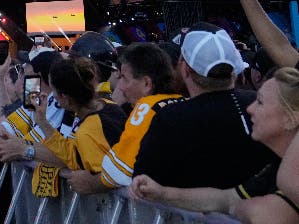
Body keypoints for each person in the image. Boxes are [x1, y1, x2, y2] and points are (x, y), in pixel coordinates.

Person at [132, 67, 299, 222]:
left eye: (260, 102)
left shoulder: (289, 174)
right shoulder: (276, 164)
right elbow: (225, 199)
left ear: (291, 119)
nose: (250, 108)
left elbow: (264, 214)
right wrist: (161, 193)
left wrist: (246, 207)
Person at [133, 29, 275, 188]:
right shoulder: (260, 104)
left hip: (188, 210)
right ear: (234, 72)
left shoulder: (170, 118)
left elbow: (142, 180)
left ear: (185, 69)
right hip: (261, 209)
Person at [66, 42, 181, 193]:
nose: (121, 86)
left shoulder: (147, 107)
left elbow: (118, 171)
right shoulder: (181, 101)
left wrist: (92, 183)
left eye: (125, 78)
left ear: (147, 83)